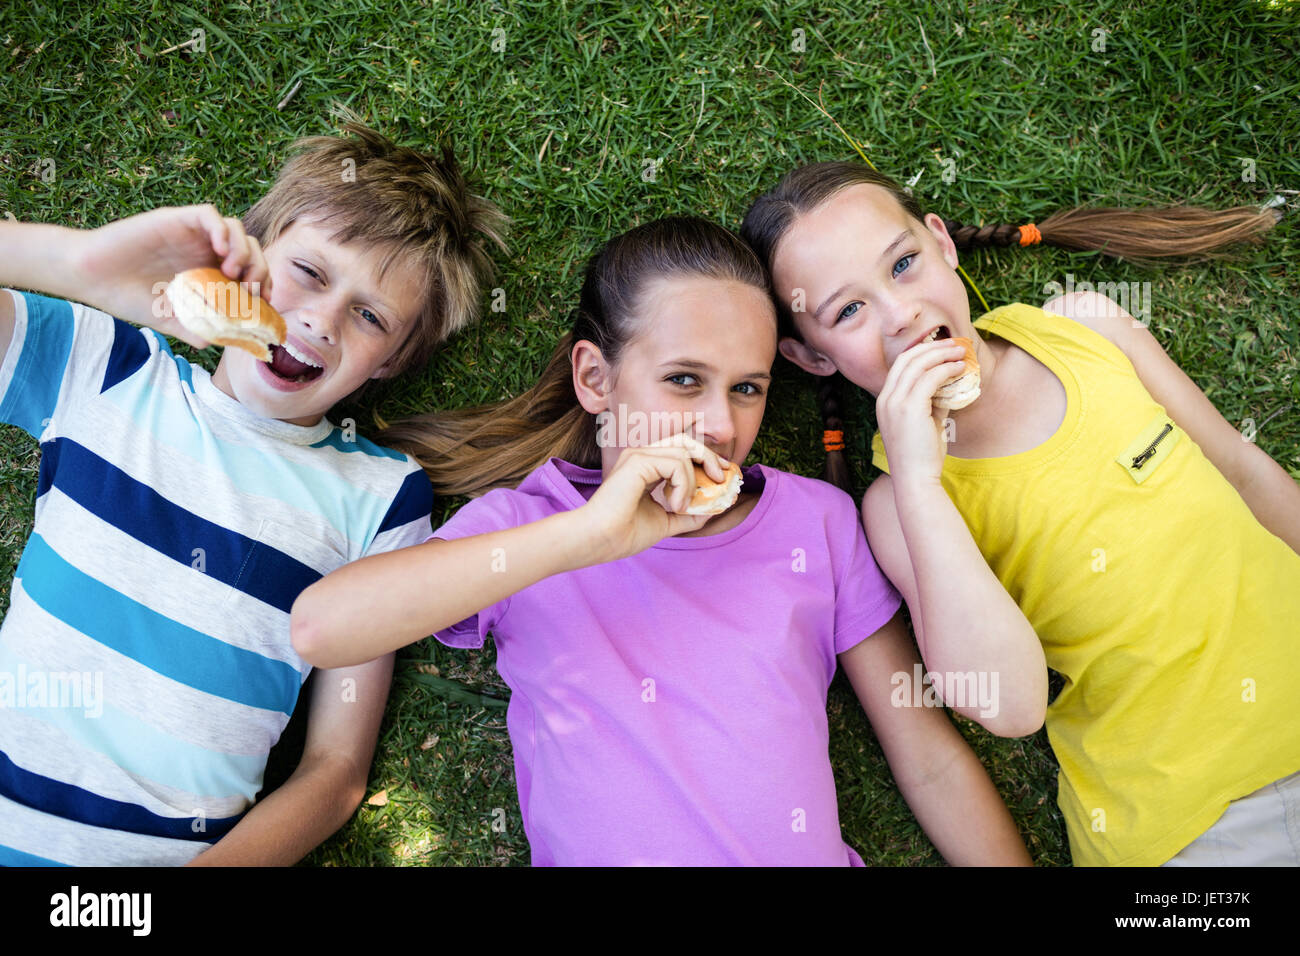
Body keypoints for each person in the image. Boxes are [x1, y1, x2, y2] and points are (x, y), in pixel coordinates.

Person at [292, 216, 1032, 866]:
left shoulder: (818, 523)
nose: (720, 424)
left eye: (748, 388)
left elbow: (927, 759)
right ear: (595, 378)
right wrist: (588, 535)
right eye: (684, 379)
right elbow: (325, 627)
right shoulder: (526, 531)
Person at [739, 160, 1300, 866]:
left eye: (904, 264)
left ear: (942, 244)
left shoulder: (1086, 329)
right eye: (847, 312)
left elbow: (1246, 472)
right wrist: (919, 480)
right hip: (1193, 825)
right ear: (811, 356)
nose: (899, 314)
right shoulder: (897, 507)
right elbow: (1009, 707)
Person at [0, 117, 508, 865]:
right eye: (309, 272)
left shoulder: (380, 496)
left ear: (393, 362)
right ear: (253, 251)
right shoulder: (102, 364)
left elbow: (334, 775)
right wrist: (80, 259)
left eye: (371, 317)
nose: (320, 319)